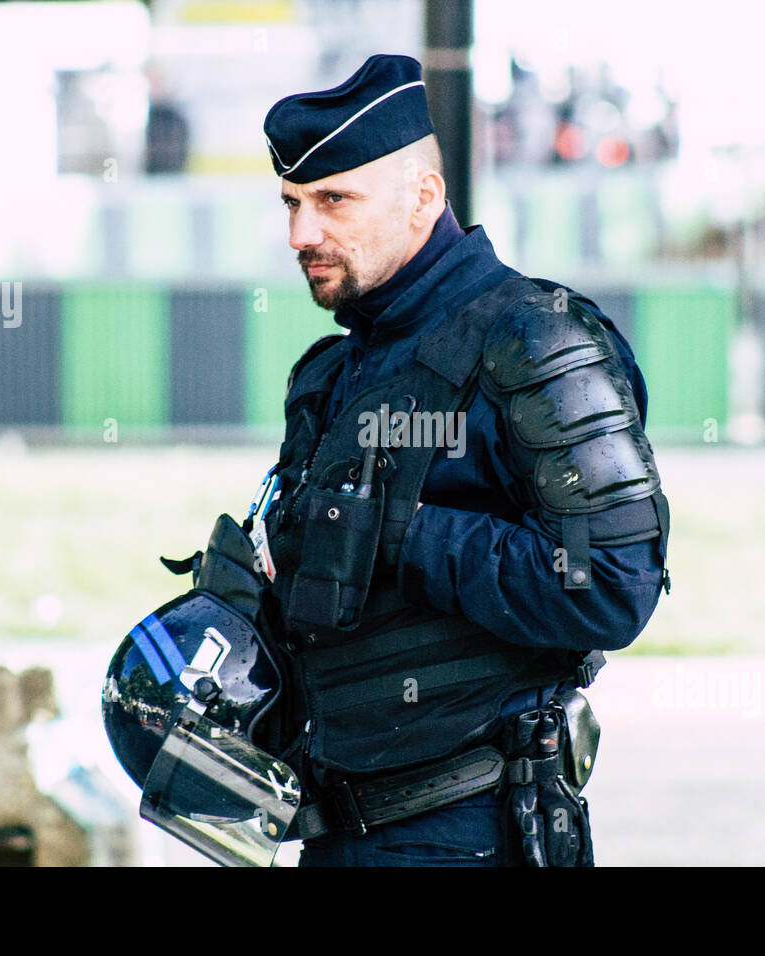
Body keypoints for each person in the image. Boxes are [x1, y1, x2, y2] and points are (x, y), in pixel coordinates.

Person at [255, 54, 670, 867]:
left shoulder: (535, 339)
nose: (304, 233)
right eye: (293, 204)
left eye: (335, 200)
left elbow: (612, 585)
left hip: (469, 831)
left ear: (424, 197)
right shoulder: (329, 374)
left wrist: (395, 536)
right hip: (329, 830)